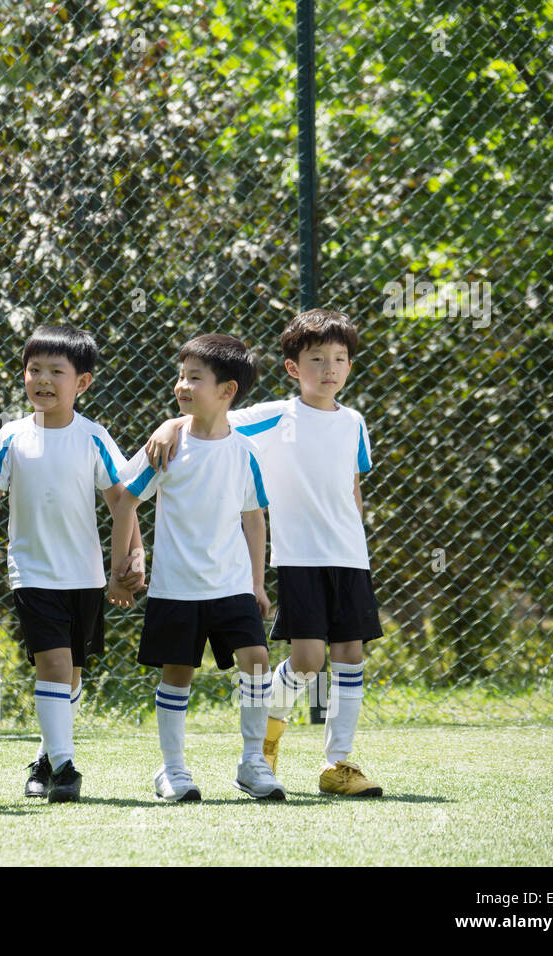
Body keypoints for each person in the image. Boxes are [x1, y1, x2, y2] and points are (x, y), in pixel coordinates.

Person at [143, 309, 383, 797]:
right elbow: (208, 414)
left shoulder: (355, 422)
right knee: (309, 661)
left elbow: (353, 488)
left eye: (340, 358)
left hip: (350, 558)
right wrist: (171, 423)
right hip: (299, 558)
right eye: (317, 359)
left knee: (351, 655)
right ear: (294, 367)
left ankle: (338, 764)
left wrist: (359, 545)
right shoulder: (275, 415)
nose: (330, 368)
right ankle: (269, 714)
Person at [0, 325, 144, 803]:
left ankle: (46, 759)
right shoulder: (11, 435)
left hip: (84, 578)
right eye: (34, 370)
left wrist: (132, 556)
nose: (42, 380)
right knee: (54, 665)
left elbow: (121, 499)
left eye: (55, 372)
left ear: (81, 383)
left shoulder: (94, 437)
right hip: (33, 574)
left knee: (72, 676)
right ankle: (67, 769)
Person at [109, 333, 285, 802]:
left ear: (227, 391)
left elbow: (253, 519)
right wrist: (124, 562)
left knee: (257, 661)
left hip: (231, 589)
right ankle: (171, 770)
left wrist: (257, 586)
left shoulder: (246, 453)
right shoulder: (165, 445)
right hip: (175, 590)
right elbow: (125, 500)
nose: (182, 385)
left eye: (194, 378)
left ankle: (253, 763)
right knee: (177, 673)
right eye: (180, 376)